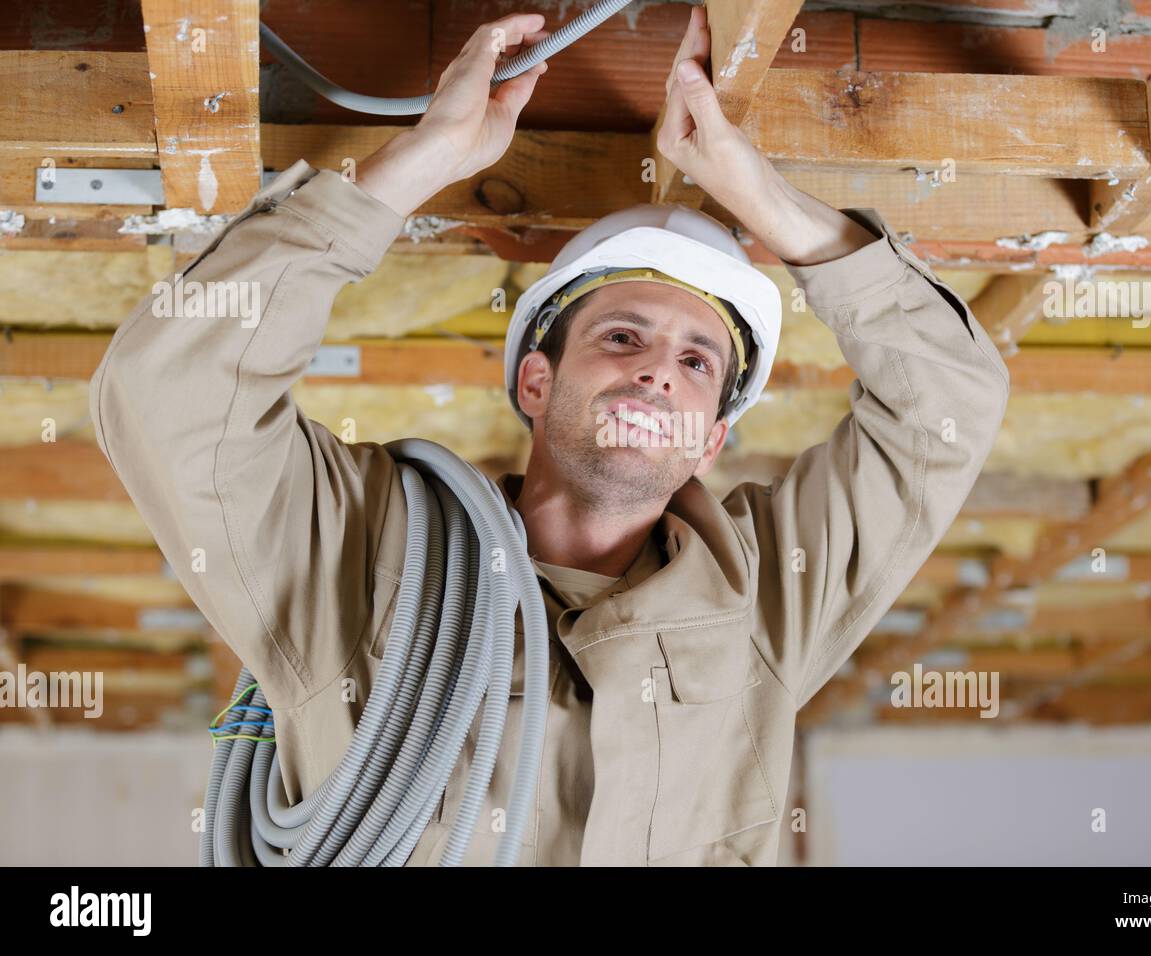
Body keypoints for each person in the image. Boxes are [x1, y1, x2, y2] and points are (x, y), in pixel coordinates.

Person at [91, 8, 1009, 865]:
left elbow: (947, 405)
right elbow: (172, 389)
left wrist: (776, 211)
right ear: (538, 380)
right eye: (621, 338)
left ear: (710, 439)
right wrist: (419, 161)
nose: (658, 369)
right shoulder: (362, 556)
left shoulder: (767, 599)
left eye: (697, 363)